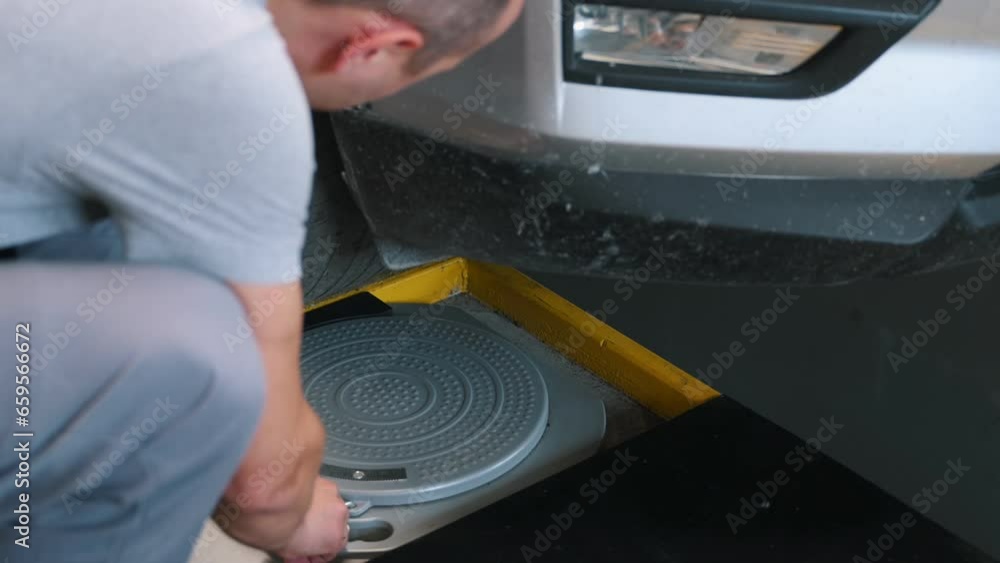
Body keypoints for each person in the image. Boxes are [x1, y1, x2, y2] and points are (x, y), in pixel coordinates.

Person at [0, 0, 524, 561]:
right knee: (200, 352)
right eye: (416, 77)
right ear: (371, 46)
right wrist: (292, 520)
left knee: (103, 242)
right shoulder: (236, 80)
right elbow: (263, 490)